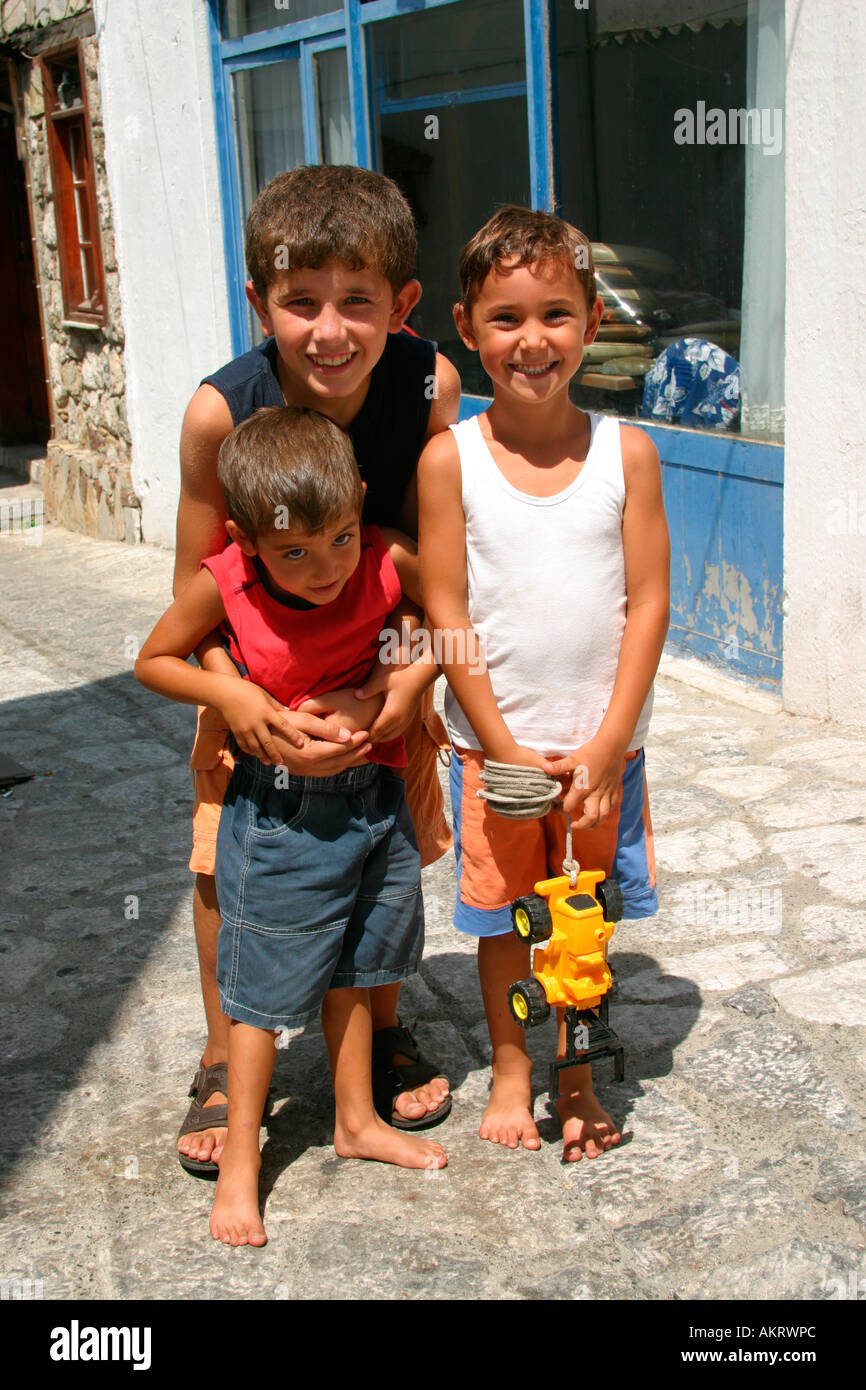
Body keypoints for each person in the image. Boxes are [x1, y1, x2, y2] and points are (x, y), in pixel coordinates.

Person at [174, 166, 461, 1172]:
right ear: (260, 303)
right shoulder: (222, 413)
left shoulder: (429, 389)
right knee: (221, 853)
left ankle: (375, 1031)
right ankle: (221, 1054)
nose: (328, 330)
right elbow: (192, 600)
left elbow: (442, 592)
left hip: (385, 673)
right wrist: (238, 698)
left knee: (392, 849)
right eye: (300, 303)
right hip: (254, 681)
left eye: (357, 302)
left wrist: (404, 688)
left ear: (404, 307)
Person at [136, 407, 448, 1246]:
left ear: (360, 505)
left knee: (359, 959)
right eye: (295, 553)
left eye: (341, 538)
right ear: (247, 539)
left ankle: (357, 1120)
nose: (326, 568)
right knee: (259, 994)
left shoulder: (385, 559)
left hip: (374, 804)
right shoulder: (226, 581)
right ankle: (241, 1162)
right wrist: (234, 695)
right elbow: (154, 659)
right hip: (281, 817)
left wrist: (403, 688)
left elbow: (458, 628)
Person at [418, 206, 669, 1162]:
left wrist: (607, 746)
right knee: (505, 923)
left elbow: (648, 603)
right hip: (499, 755)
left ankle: (577, 1077)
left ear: (593, 320)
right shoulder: (452, 462)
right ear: (468, 327)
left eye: (556, 315)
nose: (533, 341)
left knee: (585, 919)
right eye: (507, 319)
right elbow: (448, 616)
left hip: (606, 752)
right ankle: (515, 1065)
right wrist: (503, 750)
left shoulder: (626, 454)